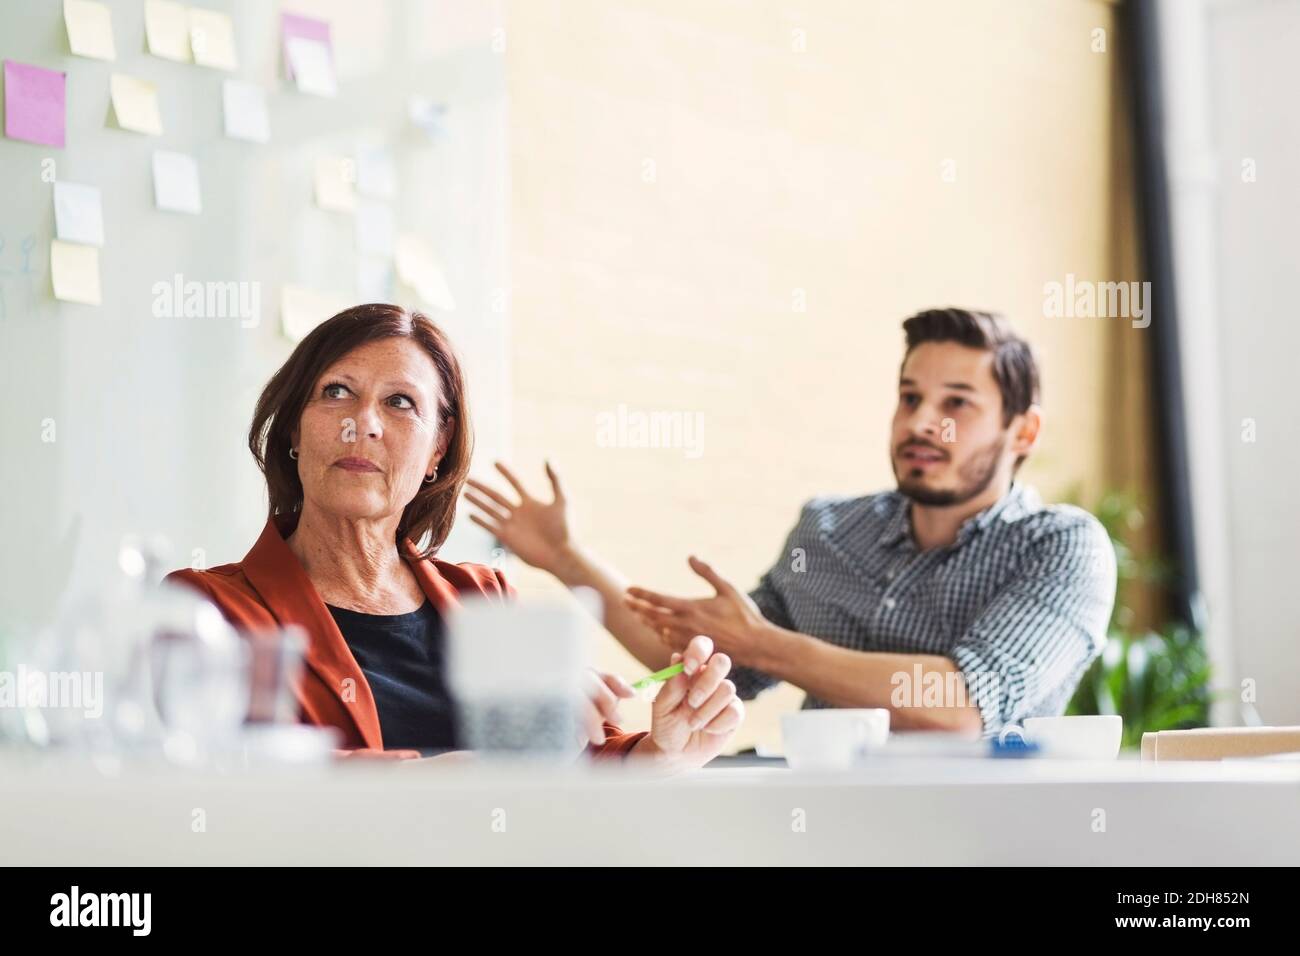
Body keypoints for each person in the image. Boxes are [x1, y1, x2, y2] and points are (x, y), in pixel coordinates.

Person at [465, 308, 1116, 737]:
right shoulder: (828, 531)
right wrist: (565, 556)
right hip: (814, 827)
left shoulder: (1062, 547)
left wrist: (766, 645)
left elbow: (965, 705)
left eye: (957, 404)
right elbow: (707, 656)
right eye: (910, 396)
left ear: (1023, 429)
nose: (921, 423)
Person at [167, 304, 743, 767]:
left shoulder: (482, 597)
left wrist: (658, 751)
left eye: (400, 403)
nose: (362, 422)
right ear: (296, 425)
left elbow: (567, 764)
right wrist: (452, 776)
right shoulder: (205, 608)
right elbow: (224, 779)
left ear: (435, 453)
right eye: (337, 392)